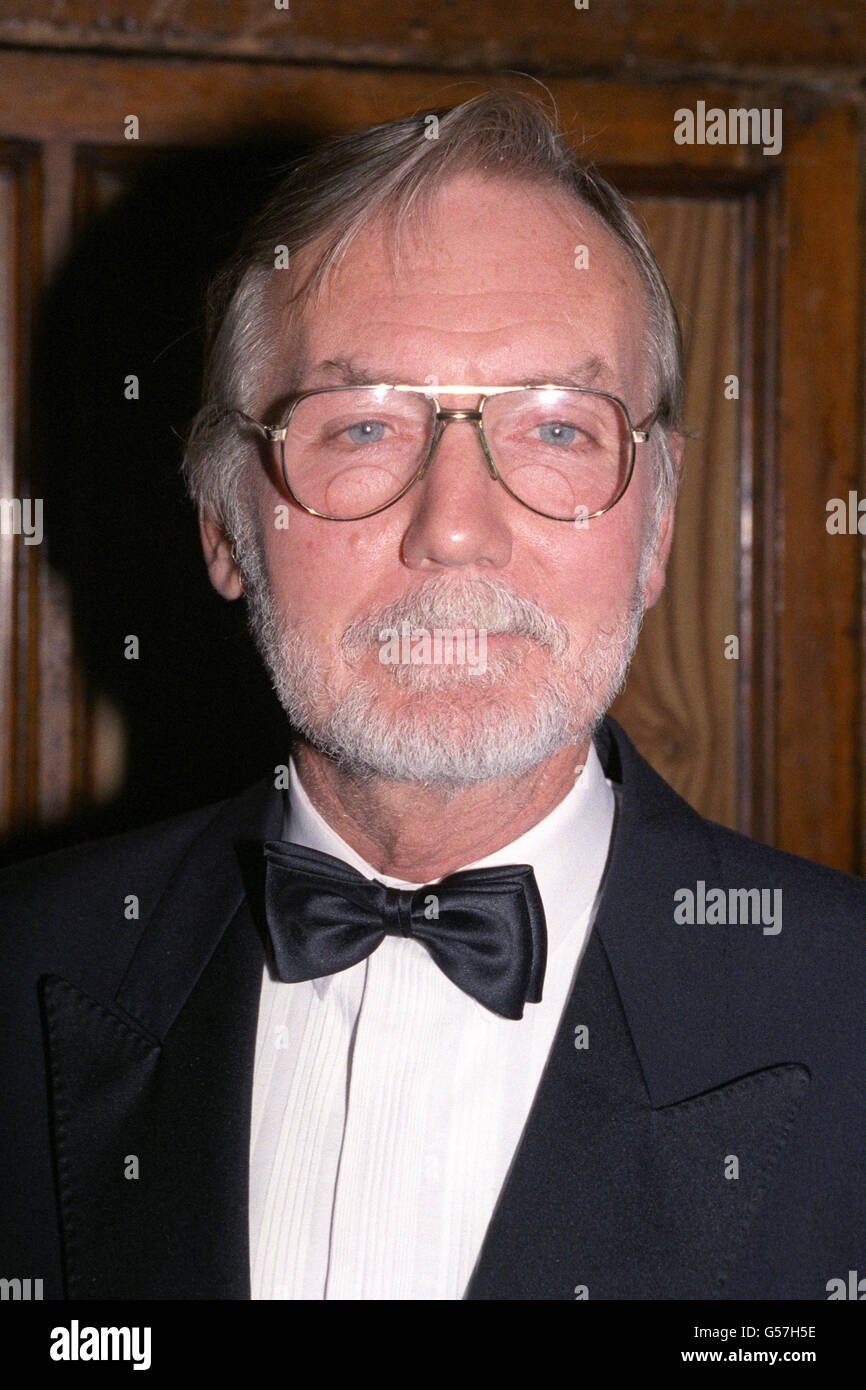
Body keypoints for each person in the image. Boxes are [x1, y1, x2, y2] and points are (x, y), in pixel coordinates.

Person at [1, 92, 864, 1302]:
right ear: (225, 522)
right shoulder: (23, 968)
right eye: (360, 425)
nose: (454, 528)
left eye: (557, 430)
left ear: (656, 524)